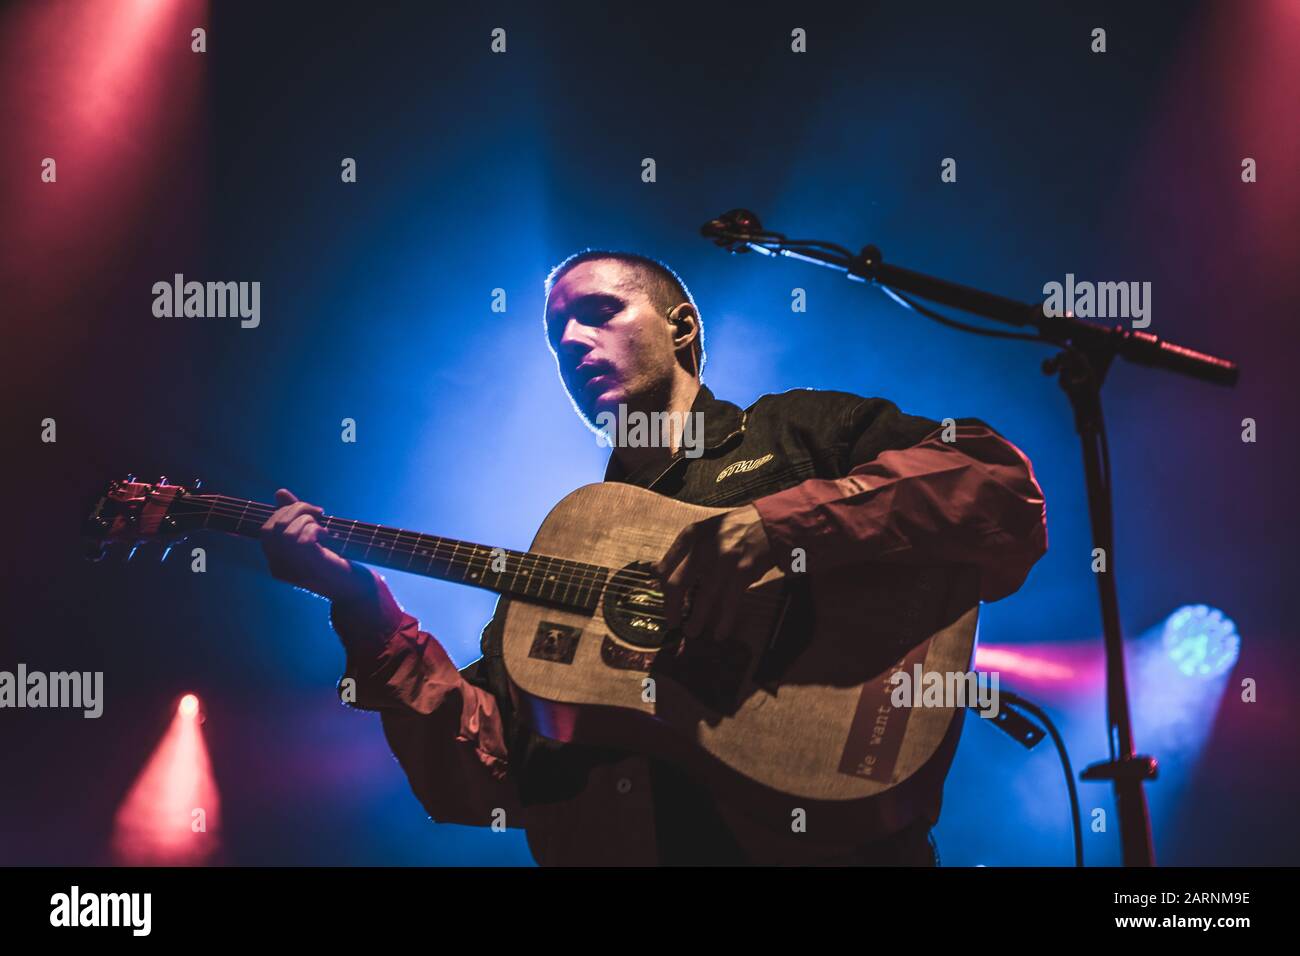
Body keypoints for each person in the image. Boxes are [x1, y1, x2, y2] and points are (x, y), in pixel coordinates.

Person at [260, 250, 1048, 865]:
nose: (571, 342)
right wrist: (362, 609)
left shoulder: (796, 435)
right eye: (556, 333)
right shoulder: (571, 538)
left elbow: (996, 484)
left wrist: (784, 526)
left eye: (599, 312)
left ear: (681, 326)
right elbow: (479, 777)